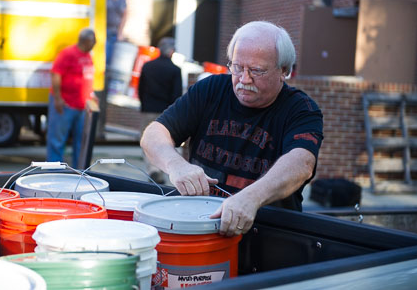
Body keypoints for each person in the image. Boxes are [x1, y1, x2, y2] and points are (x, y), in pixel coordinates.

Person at [140, 21, 323, 237]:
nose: (244, 80)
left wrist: (251, 198)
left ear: (284, 70)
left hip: (268, 232)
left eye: (257, 70)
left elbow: (301, 163)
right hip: (200, 226)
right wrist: (176, 165)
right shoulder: (210, 90)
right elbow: (153, 135)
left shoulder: (301, 109)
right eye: (237, 67)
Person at [47, 28, 97, 169]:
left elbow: (87, 78)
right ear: (86, 41)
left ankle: (80, 171)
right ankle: (53, 171)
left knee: (81, 143)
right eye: (94, 41)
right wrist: (57, 98)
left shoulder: (88, 56)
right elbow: (56, 74)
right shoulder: (68, 54)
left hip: (81, 106)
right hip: (66, 104)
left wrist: (91, 95)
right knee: (57, 141)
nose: (95, 44)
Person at [138, 37, 182, 183]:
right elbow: (177, 95)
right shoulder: (175, 70)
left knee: (147, 140)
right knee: (164, 142)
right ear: (171, 51)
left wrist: (144, 104)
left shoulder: (147, 66)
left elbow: (140, 88)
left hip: (148, 109)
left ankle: (152, 169)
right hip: (165, 112)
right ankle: (161, 170)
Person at [106, 0, 127, 66]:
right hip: (104, 30)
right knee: (105, 56)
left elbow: (124, 15)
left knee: (113, 59)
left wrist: (120, 32)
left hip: (115, 32)